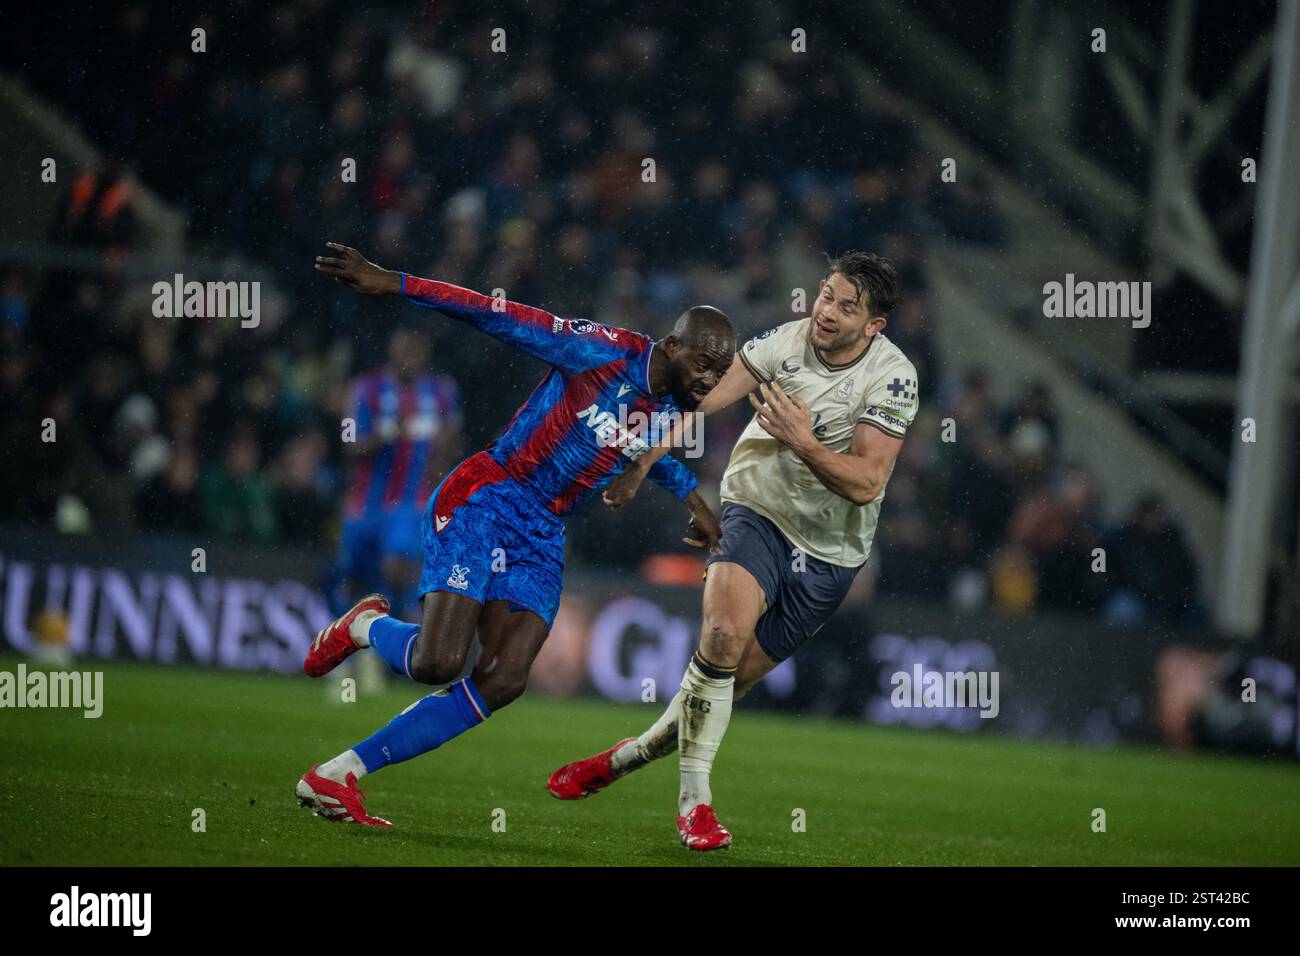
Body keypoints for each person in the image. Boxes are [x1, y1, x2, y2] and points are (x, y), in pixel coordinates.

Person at [295, 243, 734, 826]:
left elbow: (648, 446)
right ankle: (364, 625)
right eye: (703, 365)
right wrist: (394, 281)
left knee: (503, 679)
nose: (709, 382)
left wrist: (691, 499)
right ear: (672, 346)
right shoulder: (598, 349)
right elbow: (492, 312)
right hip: (489, 496)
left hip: (543, 532)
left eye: (720, 374)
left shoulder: (666, 400)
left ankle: (336, 775)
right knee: (436, 663)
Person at [547, 252, 919, 851]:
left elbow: (866, 483)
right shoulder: (784, 342)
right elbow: (697, 401)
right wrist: (643, 461)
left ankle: (626, 757)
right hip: (755, 512)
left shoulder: (893, 379)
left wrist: (801, 439)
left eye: (846, 307)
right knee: (720, 638)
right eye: (826, 294)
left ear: (874, 326)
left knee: (718, 686)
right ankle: (695, 807)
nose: (825, 311)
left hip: (829, 554)